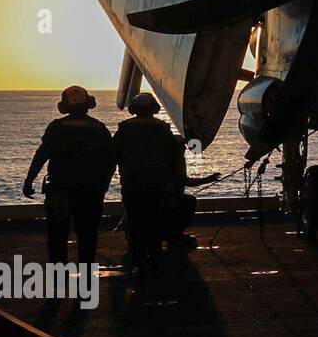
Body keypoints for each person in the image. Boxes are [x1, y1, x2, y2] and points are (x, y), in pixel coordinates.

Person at [113, 93, 219, 273]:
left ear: (133, 110)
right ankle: (154, 261)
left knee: (135, 221)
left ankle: (138, 262)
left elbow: (113, 156)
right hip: (157, 187)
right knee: (154, 223)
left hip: (131, 185)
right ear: (154, 109)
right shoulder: (163, 130)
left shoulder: (123, 129)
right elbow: (178, 168)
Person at [22, 86, 116, 266]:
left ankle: (58, 279)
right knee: (88, 238)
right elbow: (110, 161)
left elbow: (41, 155)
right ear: (88, 104)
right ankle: (86, 280)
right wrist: (103, 186)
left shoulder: (56, 128)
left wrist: (29, 180)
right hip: (90, 192)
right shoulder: (99, 129)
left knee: (57, 238)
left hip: (58, 191)